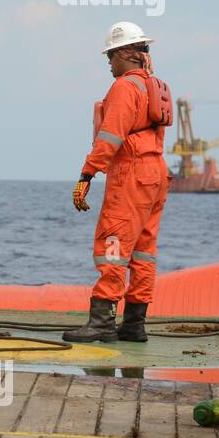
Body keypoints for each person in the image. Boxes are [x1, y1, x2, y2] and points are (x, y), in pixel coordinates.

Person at [65, 22, 173, 343]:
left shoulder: (125, 88)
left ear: (126, 54)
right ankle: (134, 324)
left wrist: (87, 174)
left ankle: (101, 322)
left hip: (131, 175)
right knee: (143, 249)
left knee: (113, 242)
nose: (109, 64)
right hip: (156, 174)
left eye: (111, 56)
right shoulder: (154, 86)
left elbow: (109, 138)